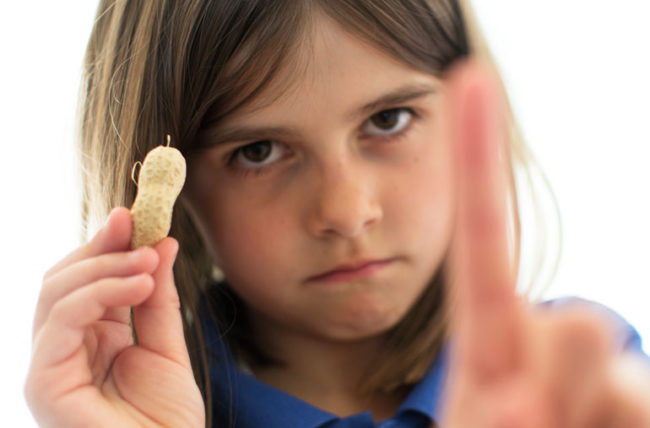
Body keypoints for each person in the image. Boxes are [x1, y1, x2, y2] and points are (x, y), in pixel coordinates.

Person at [24, 0, 650, 427]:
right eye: (258, 152)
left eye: (388, 120)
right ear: (174, 189)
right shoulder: (136, 405)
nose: (348, 214)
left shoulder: (578, 375)